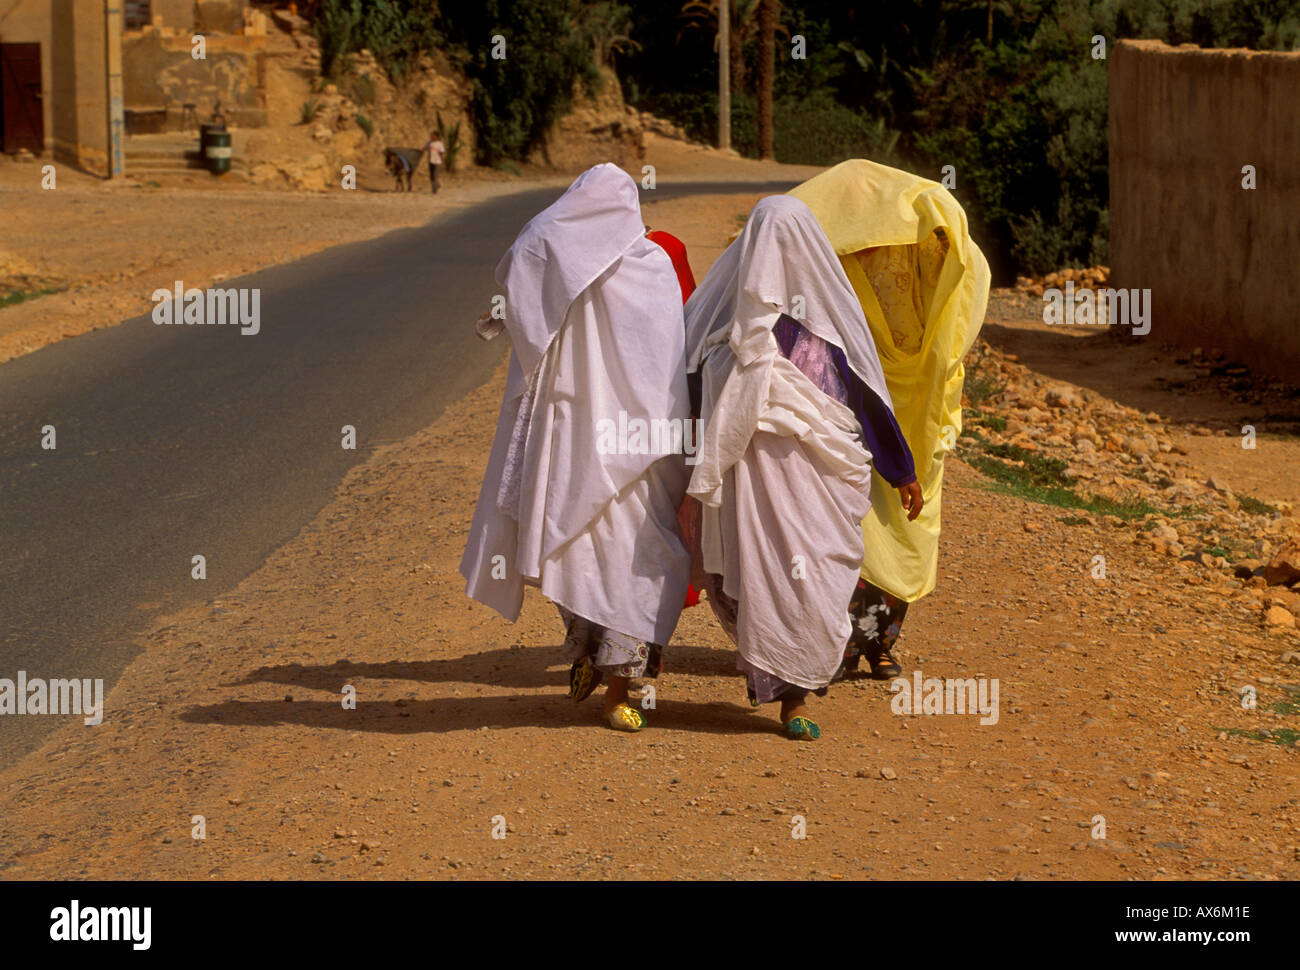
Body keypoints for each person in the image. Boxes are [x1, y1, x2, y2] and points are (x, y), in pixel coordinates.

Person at [460, 163, 692, 732]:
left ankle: (612, 677)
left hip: (596, 442)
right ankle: (614, 684)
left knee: (601, 550)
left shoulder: (559, 263)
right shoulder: (652, 265)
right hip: (631, 441)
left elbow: (524, 277)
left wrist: (504, 317)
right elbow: (669, 356)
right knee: (615, 555)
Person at [681, 195, 920, 741]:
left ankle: (797, 689)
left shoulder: (831, 324)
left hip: (822, 486)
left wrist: (900, 469)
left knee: (813, 584)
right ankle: (785, 697)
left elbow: (865, 398)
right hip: (754, 487)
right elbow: (690, 395)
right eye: (770, 240)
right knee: (763, 582)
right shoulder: (727, 326)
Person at [788, 161, 990, 680]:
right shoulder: (840, 263)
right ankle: (848, 644)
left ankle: (875, 641)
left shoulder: (940, 253)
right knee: (852, 528)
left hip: (918, 414)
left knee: (904, 531)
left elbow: (954, 329)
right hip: (854, 407)